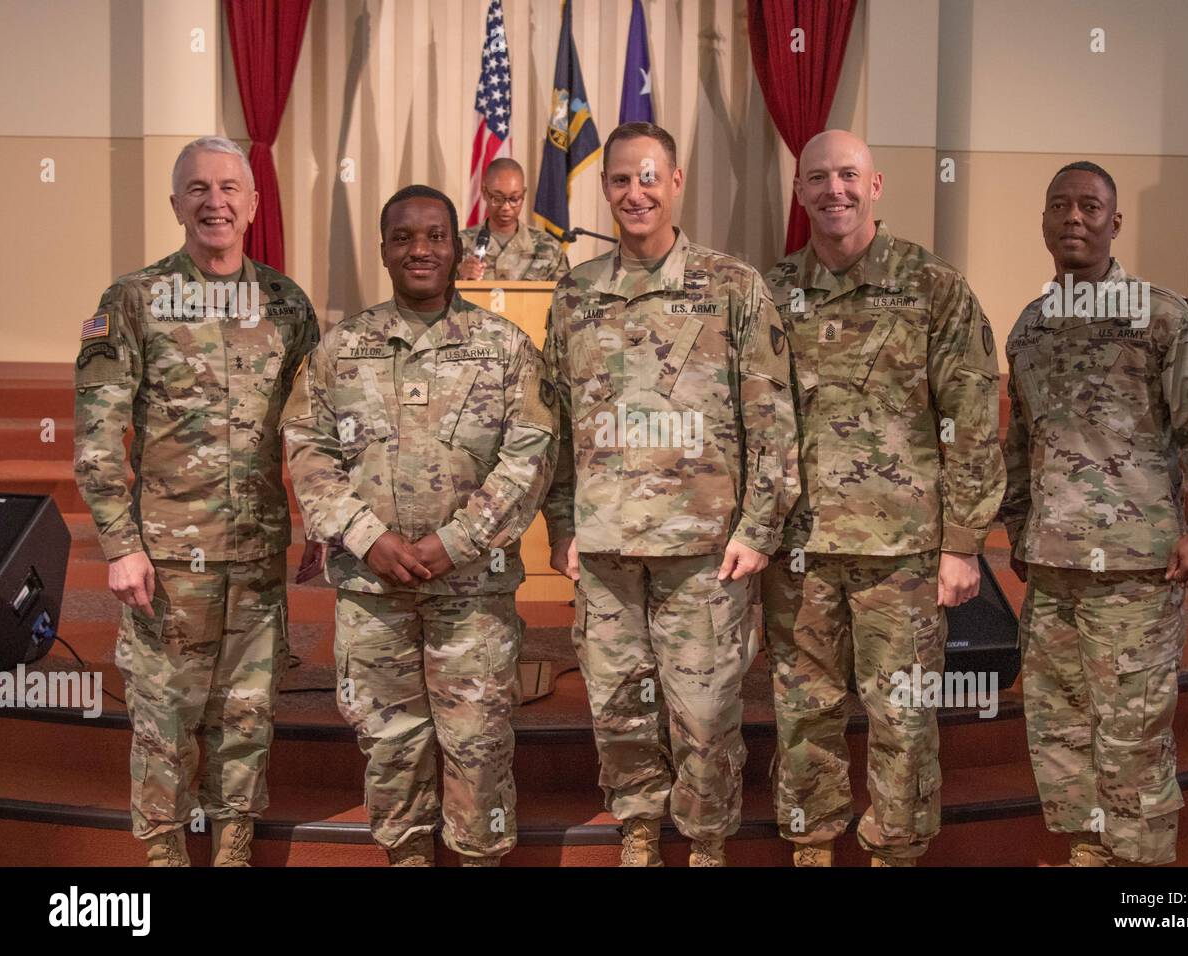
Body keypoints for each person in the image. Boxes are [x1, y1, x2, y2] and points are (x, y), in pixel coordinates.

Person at [541, 122, 799, 867]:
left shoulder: (731, 287)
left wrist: (759, 527)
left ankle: (708, 841)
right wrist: (562, 523)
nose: (635, 193)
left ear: (677, 183)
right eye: (621, 180)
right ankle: (639, 829)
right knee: (620, 706)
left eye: (649, 177)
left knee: (706, 715)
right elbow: (553, 423)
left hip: (706, 551)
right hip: (607, 548)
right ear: (606, 188)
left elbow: (772, 418)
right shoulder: (577, 294)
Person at [282, 185, 556, 867]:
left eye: (435, 235)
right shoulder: (339, 349)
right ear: (383, 250)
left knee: (480, 746)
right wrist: (366, 536)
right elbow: (307, 449)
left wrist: (456, 542)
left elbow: (532, 456)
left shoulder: (506, 349)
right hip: (372, 598)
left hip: (473, 597)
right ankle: (405, 857)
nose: (420, 249)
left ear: (457, 247)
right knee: (389, 746)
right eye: (403, 237)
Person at [73, 136, 320, 866]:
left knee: (247, 716)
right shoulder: (133, 300)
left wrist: (322, 521)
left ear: (251, 202)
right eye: (198, 189)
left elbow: (315, 425)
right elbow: (95, 435)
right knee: (164, 719)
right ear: (175, 202)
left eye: (229, 188)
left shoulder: (286, 303)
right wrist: (119, 545)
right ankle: (163, 856)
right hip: (168, 561)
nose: (215, 202)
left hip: (256, 555)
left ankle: (234, 845)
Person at [1000, 161, 1188, 866]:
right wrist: (1018, 525)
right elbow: (1021, 439)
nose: (1074, 218)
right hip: (1052, 569)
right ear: (1045, 222)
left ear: (1116, 223)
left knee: (1132, 734)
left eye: (1090, 206)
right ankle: (1091, 853)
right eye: (1060, 206)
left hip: (1137, 570)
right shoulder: (1029, 328)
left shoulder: (1162, 315)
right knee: (1060, 731)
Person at [762, 130, 1006, 867]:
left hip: (902, 553)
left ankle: (895, 851)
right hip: (800, 550)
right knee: (804, 711)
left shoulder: (933, 287)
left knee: (901, 714)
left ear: (875, 186)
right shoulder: (771, 293)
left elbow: (971, 416)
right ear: (799, 192)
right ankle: (811, 843)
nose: (833, 190)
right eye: (817, 179)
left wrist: (964, 544)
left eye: (848, 175)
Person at [458, 158, 570, 281]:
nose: (506, 207)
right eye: (498, 198)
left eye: (514, 198)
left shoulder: (549, 248)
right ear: (484, 192)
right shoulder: (458, 245)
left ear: (523, 194)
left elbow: (564, 297)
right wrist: (459, 277)